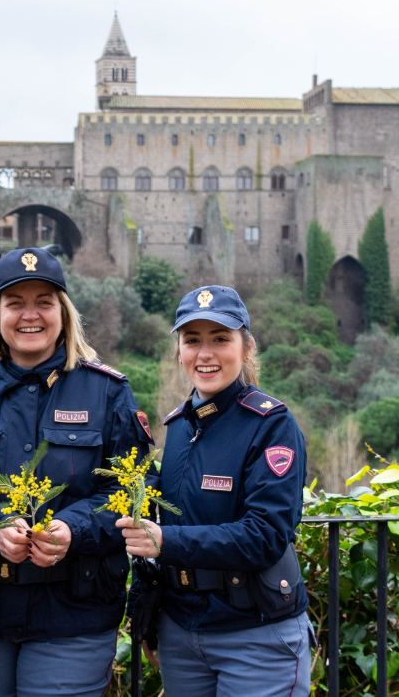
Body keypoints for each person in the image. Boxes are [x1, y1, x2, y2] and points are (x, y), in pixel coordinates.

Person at [0, 247, 154, 697]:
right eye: (15, 303)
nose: (29, 315)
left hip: (75, 613)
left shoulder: (107, 392)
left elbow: (134, 492)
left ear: (63, 313)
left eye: (44, 302)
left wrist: (71, 529)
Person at [117, 285, 312, 697]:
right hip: (182, 633)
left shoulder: (272, 425)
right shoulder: (180, 425)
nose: (205, 354)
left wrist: (165, 540)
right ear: (180, 352)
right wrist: (148, 616)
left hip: (254, 634)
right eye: (192, 341)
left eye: (220, 339)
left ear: (246, 347)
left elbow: (265, 536)